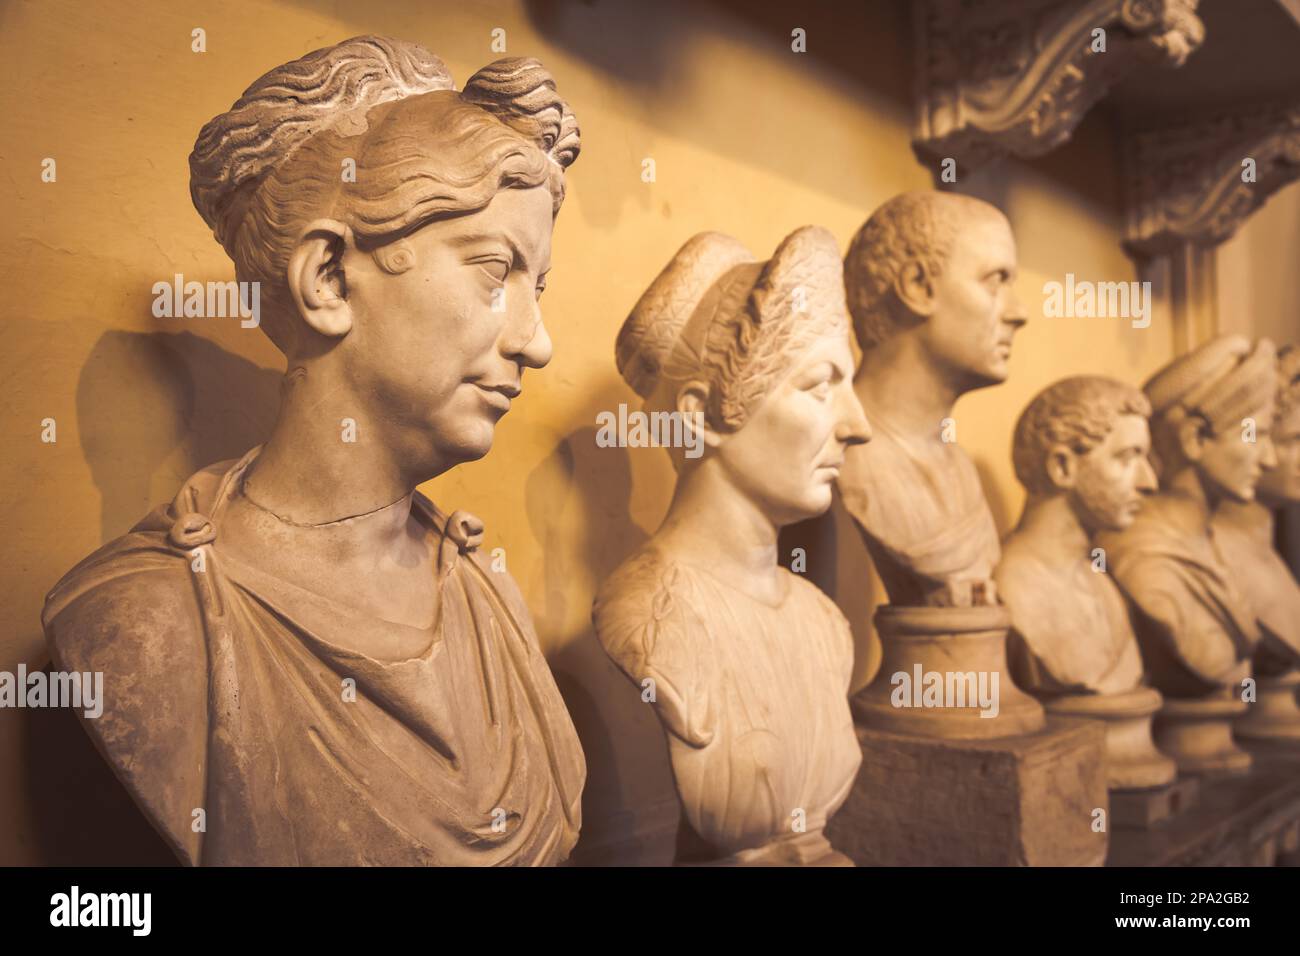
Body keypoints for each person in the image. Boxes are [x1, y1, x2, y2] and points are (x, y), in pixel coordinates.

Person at [42, 36, 585, 866]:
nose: (536, 342)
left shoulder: (491, 597)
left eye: (535, 288)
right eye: (493, 271)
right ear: (328, 276)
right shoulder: (144, 624)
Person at [593, 227, 870, 865]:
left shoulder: (823, 622)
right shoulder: (647, 615)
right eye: (820, 386)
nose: (859, 426)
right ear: (699, 415)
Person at [838, 191, 1028, 607]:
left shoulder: (959, 470)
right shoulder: (839, 453)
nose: (1019, 312)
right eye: (996, 282)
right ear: (919, 287)